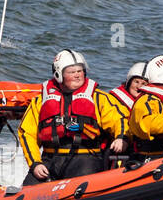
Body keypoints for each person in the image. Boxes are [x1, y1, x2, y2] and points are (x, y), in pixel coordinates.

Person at [19, 49, 128, 184]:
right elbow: (27, 133)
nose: (77, 75)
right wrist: (35, 164)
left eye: (80, 71)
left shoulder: (99, 98)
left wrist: (121, 137)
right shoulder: (40, 101)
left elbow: (119, 119)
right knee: (29, 189)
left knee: (83, 186)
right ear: (59, 75)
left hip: (85, 158)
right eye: (72, 72)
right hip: (50, 160)